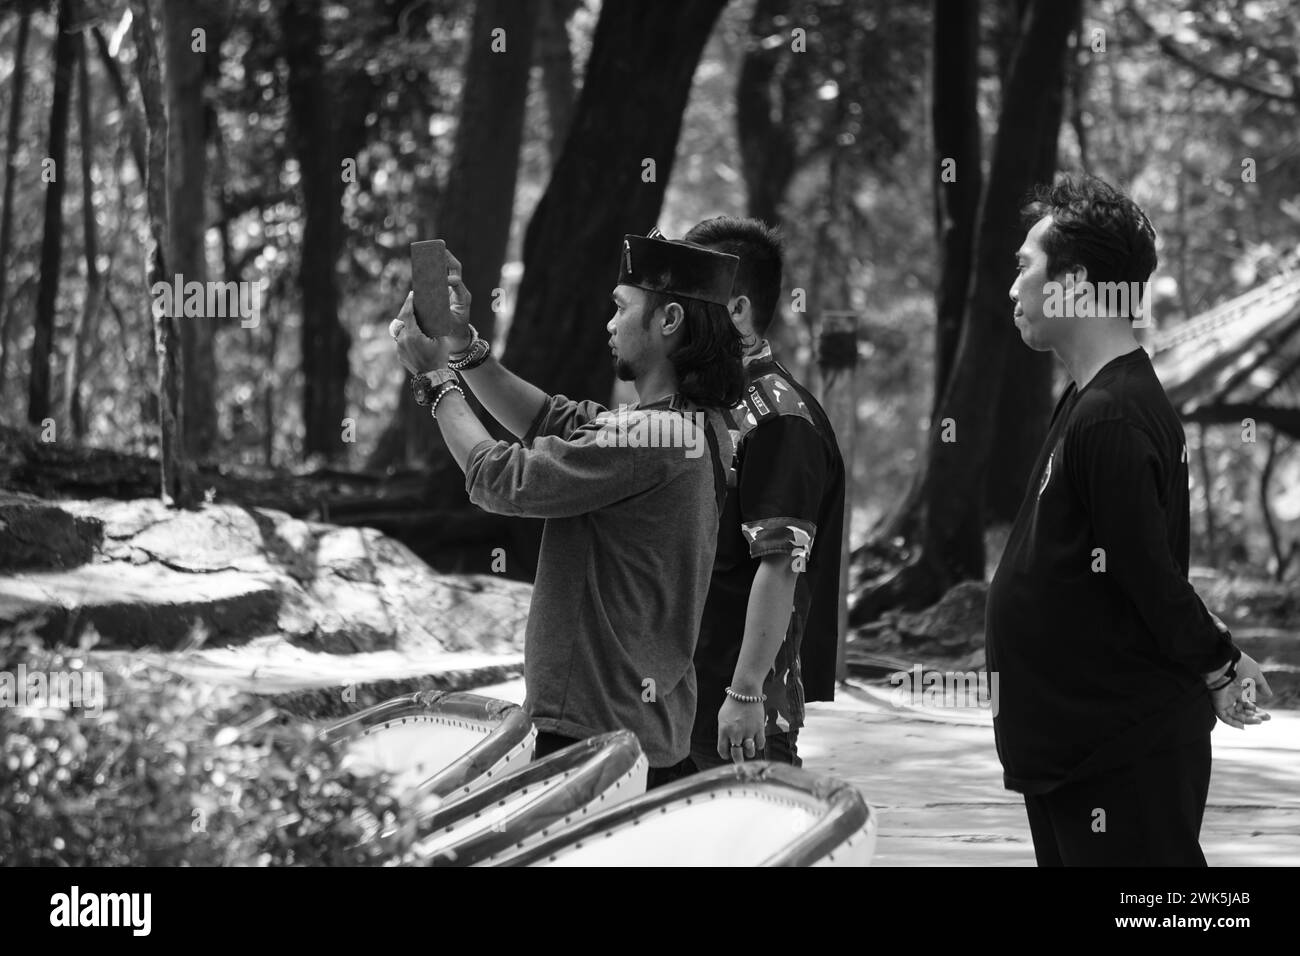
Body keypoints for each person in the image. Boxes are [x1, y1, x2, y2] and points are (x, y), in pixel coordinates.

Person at [986, 173, 1272, 866]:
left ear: (1076, 284)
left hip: (1119, 752)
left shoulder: (1113, 415)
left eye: (1026, 266)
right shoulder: (1090, 403)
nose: (1012, 287)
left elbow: (1148, 574)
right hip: (1074, 750)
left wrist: (1222, 660)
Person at [388, 233, 745, 788]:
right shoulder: (692, 426)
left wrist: (435, 383)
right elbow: (551, 420)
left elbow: (504, 479)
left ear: (670, 319)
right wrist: (462, 345)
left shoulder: (655, 437)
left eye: (622, 308)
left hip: (594, 741)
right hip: (637, 731)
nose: (609, 323)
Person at [680, 216, 846, 771]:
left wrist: (746, 692)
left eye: (689, 294)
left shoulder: (778, 418)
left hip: (735, 715)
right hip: (686, 698)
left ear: (736, 311)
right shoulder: (709, 404)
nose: (672, 313)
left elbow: (781, 563)